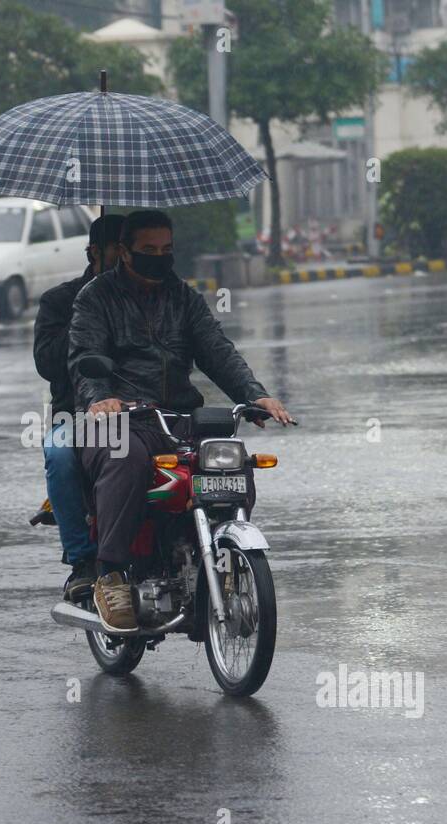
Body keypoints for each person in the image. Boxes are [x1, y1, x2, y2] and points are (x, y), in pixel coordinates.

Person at [68, 210, 292, 634]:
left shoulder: (183, 297)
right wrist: (101, 399)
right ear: (124, 251)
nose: (159, 257)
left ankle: (212, 559)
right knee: (126, 459)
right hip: (118, 420)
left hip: (178, 418)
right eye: (148, 250)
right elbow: (82, 360)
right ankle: (111, 574)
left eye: (166, 250)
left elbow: (217, 350)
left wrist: (254, 394)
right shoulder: (94, 298)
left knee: (231, 466)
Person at [33, 213, 124, 599]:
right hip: (78, 414)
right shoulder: (58, 301)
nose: (125, 262)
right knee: (60, 455)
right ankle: (82, 561)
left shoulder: (152, 298)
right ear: (94, 253)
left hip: (142, 411)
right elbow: (47, 363)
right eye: (116, 253)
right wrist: (85, 313)